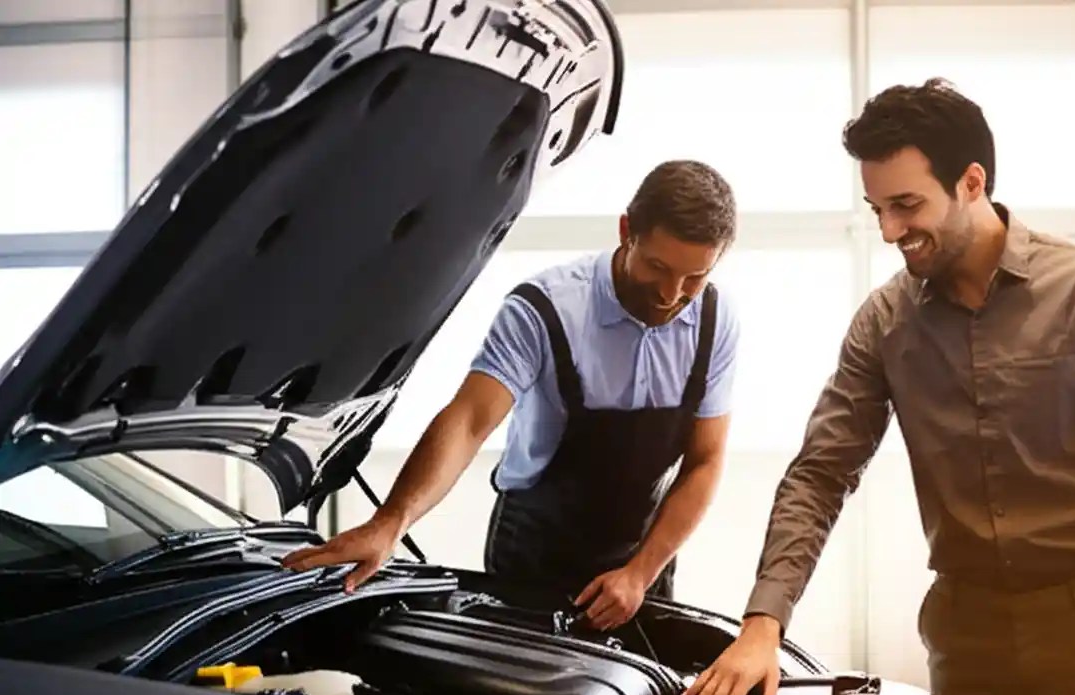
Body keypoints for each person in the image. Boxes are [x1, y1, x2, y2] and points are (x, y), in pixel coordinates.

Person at [681, 78, 1075, 695]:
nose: (890, 230)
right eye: (877, 210)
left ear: (972, 182)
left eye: (906, 204)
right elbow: (820, 475)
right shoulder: (884, 322)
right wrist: (763, 623)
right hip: (966, 640)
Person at [283, 159, 741, 631]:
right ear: (627, 231)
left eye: (693, 278)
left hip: (643, 556)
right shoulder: (544, 309)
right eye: (657, 267)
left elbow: (705, 460)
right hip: (536, 553)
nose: (671, 294)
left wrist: (642, 572)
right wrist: (390, 523)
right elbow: (470, 420)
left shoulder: (714, 321)